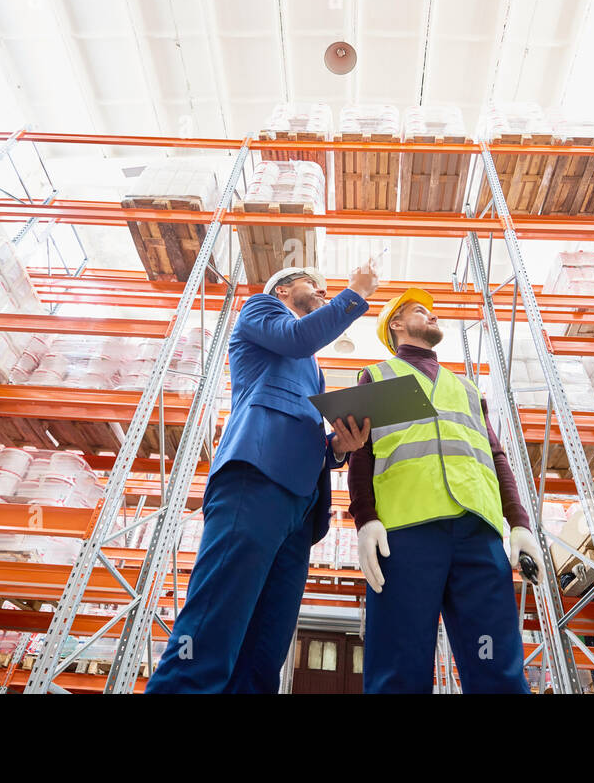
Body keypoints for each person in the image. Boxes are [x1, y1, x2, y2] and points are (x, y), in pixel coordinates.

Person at [144, 261, 378, 693]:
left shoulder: (312, 368)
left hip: (300, 506)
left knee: (265, 646)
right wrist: (354, 293)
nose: (325, 293)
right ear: (286, 288)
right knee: (216, 616)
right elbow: (298, 337)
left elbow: (305, 430)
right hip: (256, 476)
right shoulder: (260, 310)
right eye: (317, 286)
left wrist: (338, 447)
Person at [349, 287, 541, 693]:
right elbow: (361, 453)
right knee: (398, 667)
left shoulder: (467, 389)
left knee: (498, 665)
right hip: (406, 531)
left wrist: (519, 523)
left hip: (478, 532)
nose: (432, 315)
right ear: (395, 324)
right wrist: (366, 520)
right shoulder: (380, 375)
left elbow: (495, 454)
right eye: (420, 311)